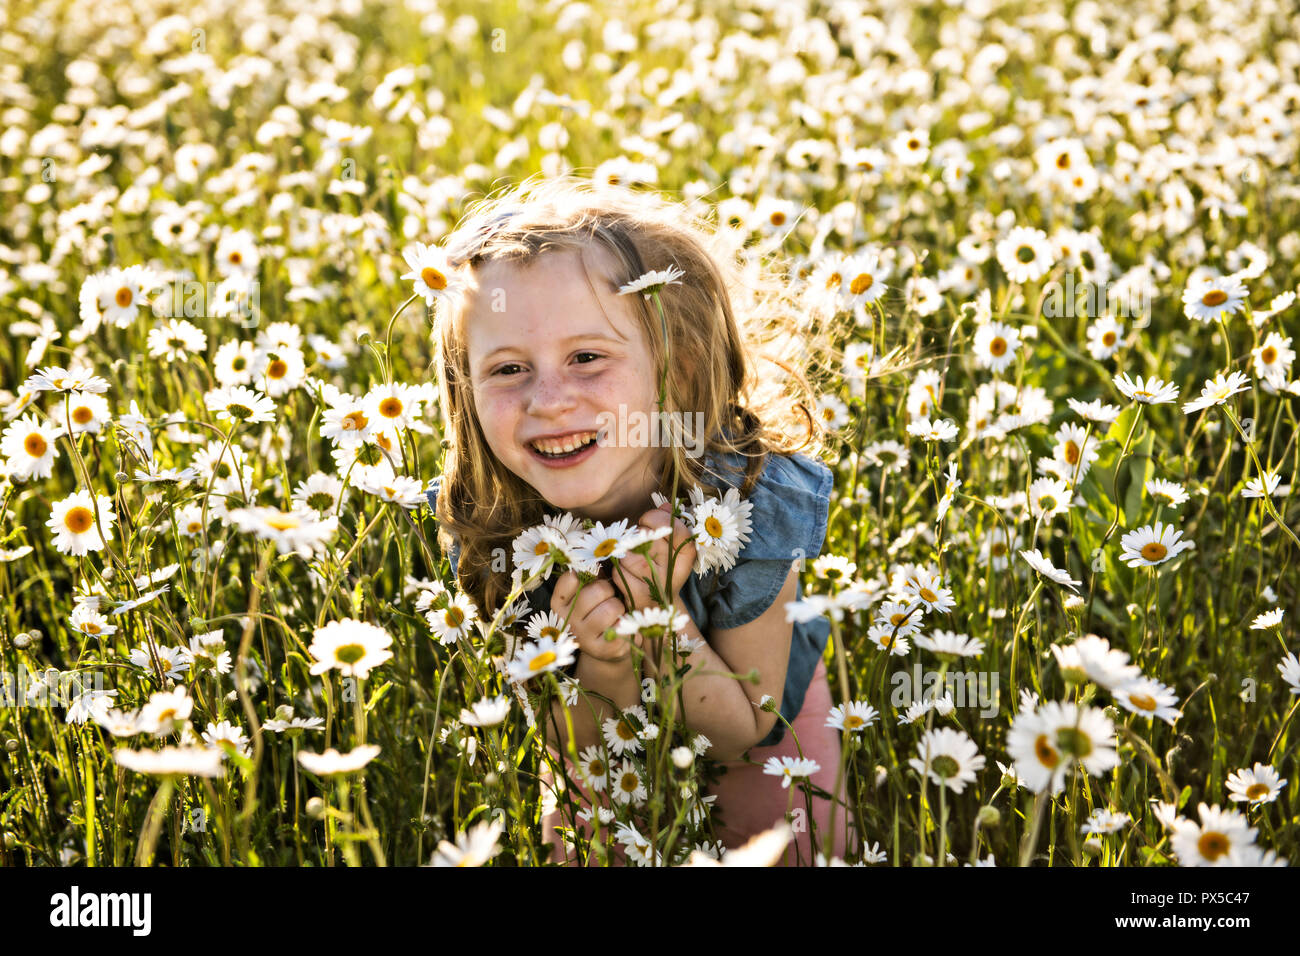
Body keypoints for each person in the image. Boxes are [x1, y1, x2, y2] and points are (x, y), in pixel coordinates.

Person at [424, 173, 848, 865]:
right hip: (599, 746)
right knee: (586, 847)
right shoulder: (502, 528)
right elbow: (576, 751)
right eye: (507, 370)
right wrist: (610, 666)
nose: (549, 399)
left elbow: (744, 733)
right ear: (463, 389)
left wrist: (662, 623)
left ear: (674, 368)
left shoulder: (751, 498)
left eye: (587, 358)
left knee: (792, 845)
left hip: (762, 720)